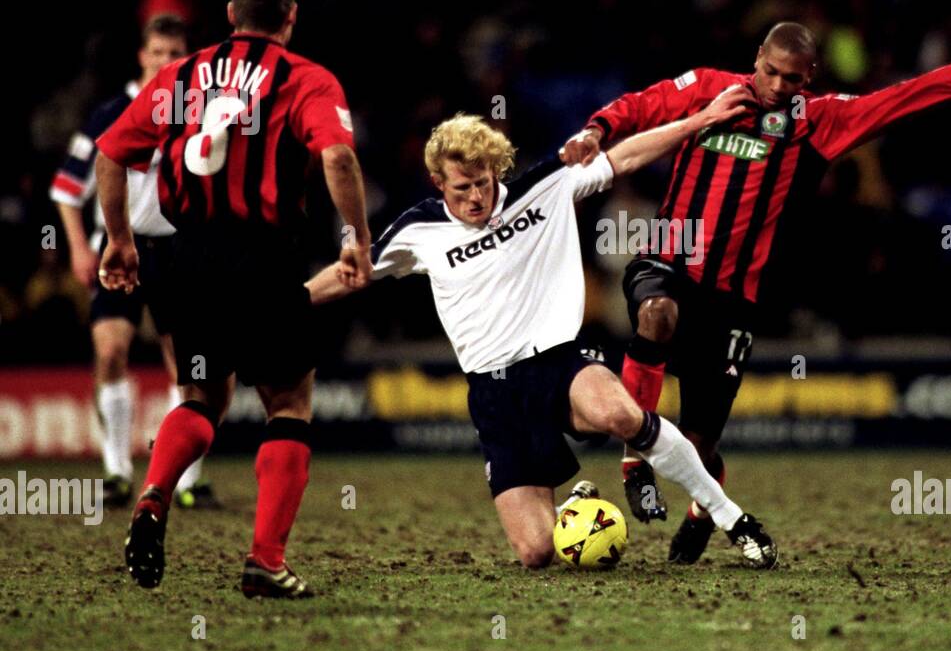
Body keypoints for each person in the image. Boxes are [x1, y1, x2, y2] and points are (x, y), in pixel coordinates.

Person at [562, 21, 951, 563]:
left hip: (734, 295)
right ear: (757, 57)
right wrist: (596, 130)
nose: (778, 85)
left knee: (699, 447)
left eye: (792, 78)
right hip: (668, 261)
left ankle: (701, 510)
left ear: (809, 76)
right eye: (770, 71)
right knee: (657, 314)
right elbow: (642, 105)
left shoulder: (819, 120)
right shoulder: (708, 89)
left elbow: (895, 101)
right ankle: (635, 463)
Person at [307, 96, 779, 569]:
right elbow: (356, 270)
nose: (476, 197)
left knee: (620, 415)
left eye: (484, 183)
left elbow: (627, 155)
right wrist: (291, 304)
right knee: (535, 552)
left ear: (496, 172)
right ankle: (574, 507)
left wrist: (698, 121)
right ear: (438, 184)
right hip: (494, 393)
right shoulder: (418, 229)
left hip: (559, 361)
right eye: (462, 188)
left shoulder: (545, 187)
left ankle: (731, 518)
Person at [96, 0, 373, 598]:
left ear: (229, 15)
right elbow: (337, 156)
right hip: (264, 255)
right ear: (292, 17)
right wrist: (355, 237)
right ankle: (265, 561)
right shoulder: (307, 78)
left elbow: (113, 152)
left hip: (185, 256)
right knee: (289, 402)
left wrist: (118, 240)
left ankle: (152, 498)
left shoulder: (180, 75)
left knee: (198, 398)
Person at [52, 15, 218, 508]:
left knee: (187, 367)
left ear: (187, 60)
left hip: (178, 251)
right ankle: (117, 472)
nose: (166, 62)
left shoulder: (202, 114)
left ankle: (185, 482)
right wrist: (81, 247)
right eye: (158, 52)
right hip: (119, 249)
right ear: (142, 56)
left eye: (176, 55)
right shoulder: (110, 112)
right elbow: (66, 190)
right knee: (109, 353)